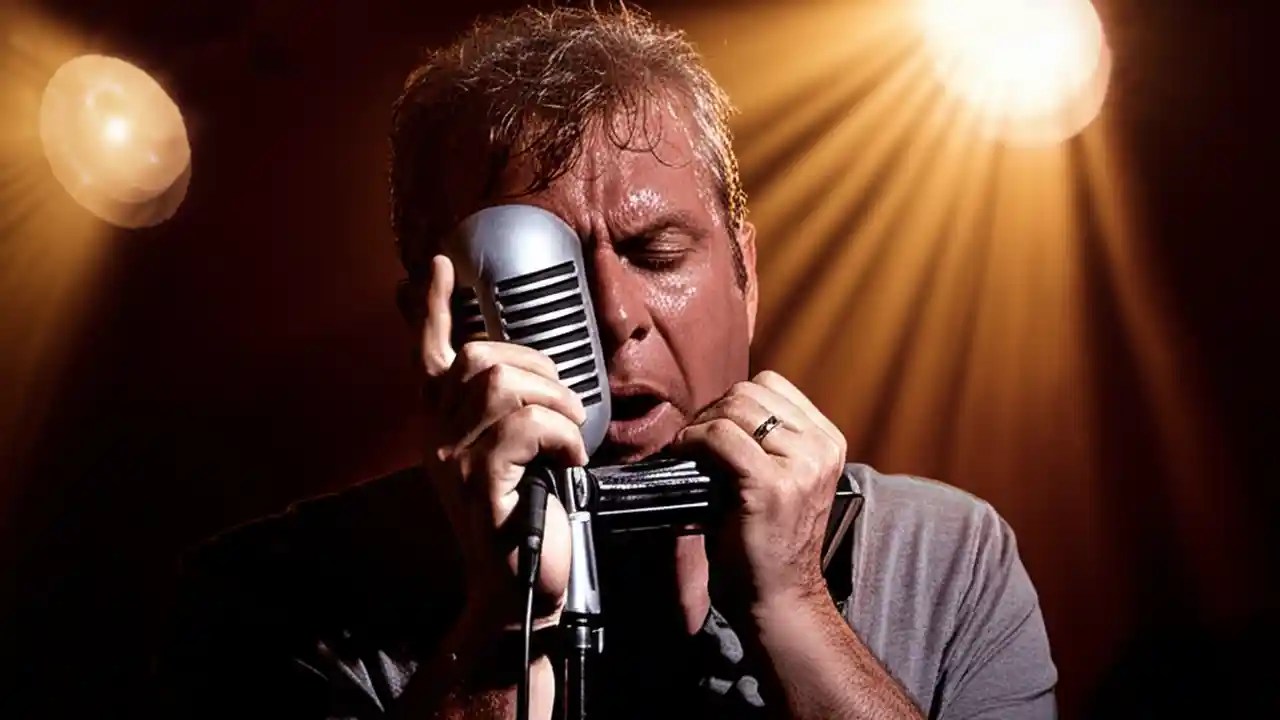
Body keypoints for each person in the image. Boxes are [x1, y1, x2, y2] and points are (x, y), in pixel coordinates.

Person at [153, 5, 1057, 719]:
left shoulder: (946, 557)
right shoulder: (273, 596)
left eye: (658, 256)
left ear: (748, 272)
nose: (616, 316)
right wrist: (505, 622)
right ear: (431, 323)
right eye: (545, 279)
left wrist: (796, 607)